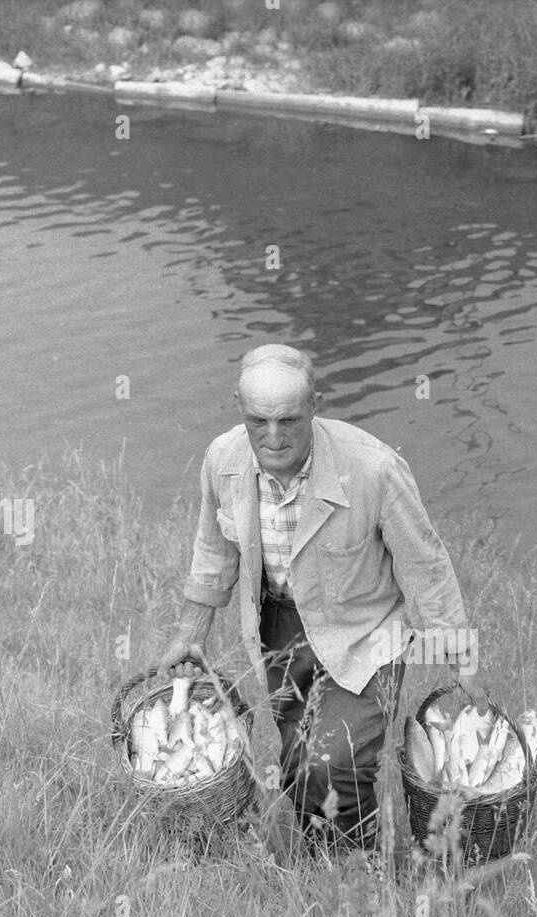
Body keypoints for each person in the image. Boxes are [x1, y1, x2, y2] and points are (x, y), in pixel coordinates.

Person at [158, 344, 484, 856]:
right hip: (277, 628)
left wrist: (459, 657)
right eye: (257, 421)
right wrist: (189, 632)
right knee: (297, 761)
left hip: (364, 633)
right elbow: (213, 550)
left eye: (288, 419)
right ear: (239, 409)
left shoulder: (374, 469)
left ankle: (357, 870)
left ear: (316, 404)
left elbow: (425, 563)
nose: (273, 437)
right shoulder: (223, 459)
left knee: (335, 761)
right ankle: (319, 865)